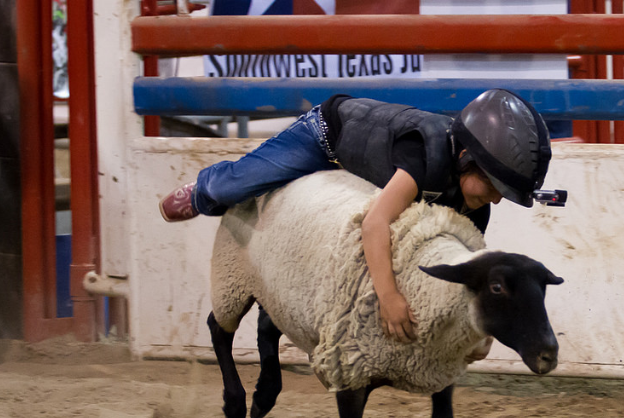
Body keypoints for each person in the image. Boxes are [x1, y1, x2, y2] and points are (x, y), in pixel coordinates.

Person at [159, 89, 552, 342]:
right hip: (325, 138)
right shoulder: (425, 155)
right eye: (493, 188)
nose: (496, 202)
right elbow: (375, 223)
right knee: (241, 185)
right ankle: (205, 190)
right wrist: (389, 296)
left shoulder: (472, 207)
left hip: (365, 178)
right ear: (467, 159)